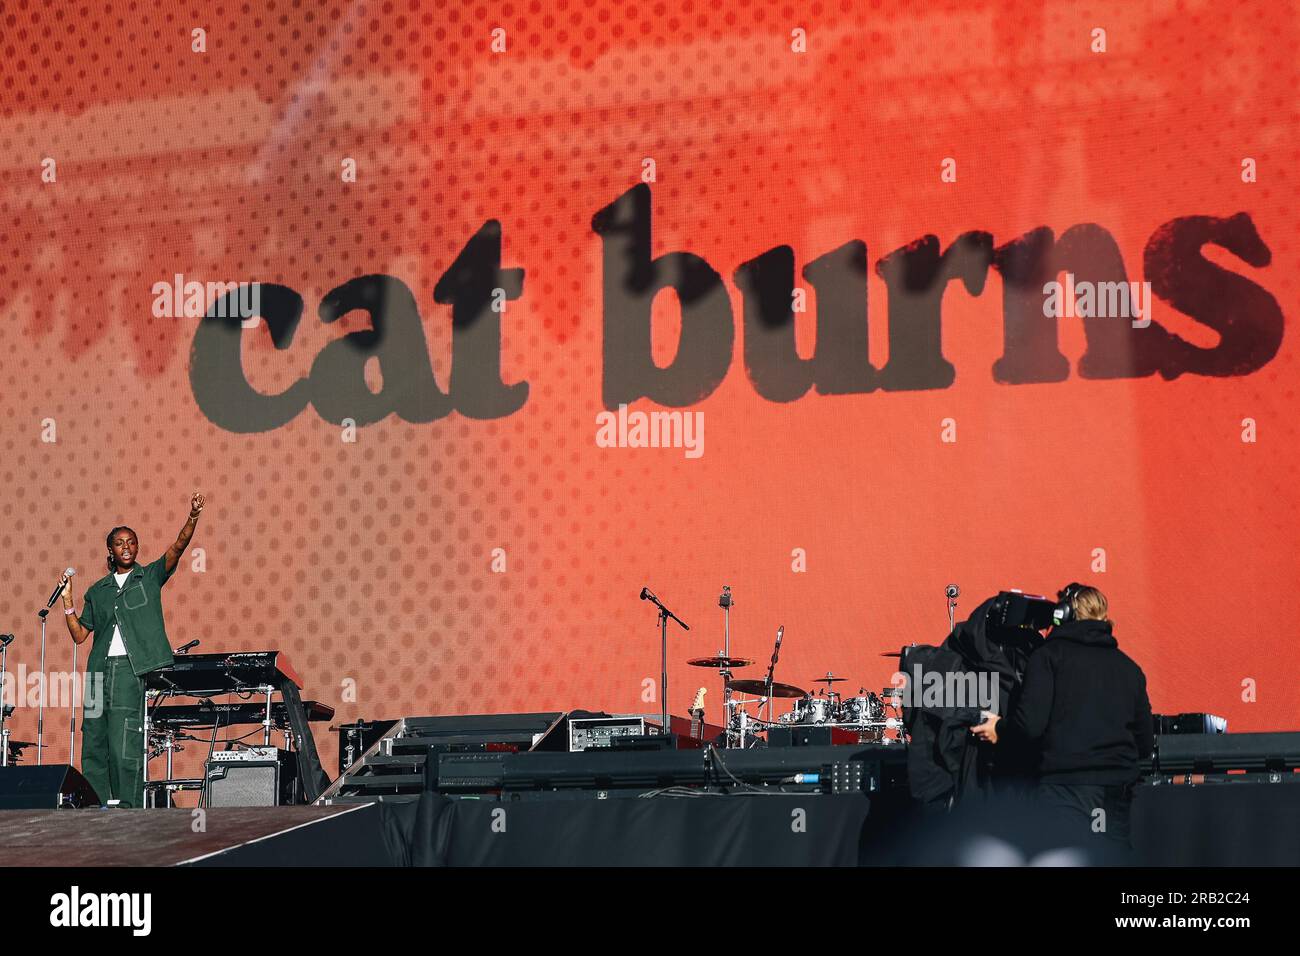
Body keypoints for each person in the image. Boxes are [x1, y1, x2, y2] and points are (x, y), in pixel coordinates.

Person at [970, 584, 1154, 849]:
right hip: (1116, 792)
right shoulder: (1129, 668)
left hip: (1065, 790)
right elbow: (1145, 744)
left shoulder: (1048, 657)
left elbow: (1029, 726)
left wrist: (1000, 728)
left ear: (1064, 614)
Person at [59, 493, 206, 807]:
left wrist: (192, 516)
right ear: (110, 550)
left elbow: (178, 547)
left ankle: (128, 807)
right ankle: (98, 804)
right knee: (94, 737)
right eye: (119, 543)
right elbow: (79, 636)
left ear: (136, 547)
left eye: (131, 542)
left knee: (124, 739)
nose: (126, 547)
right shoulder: (98, 590)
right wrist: (68, 602)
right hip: (98, 672)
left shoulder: (148, 576)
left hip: (128, 669)